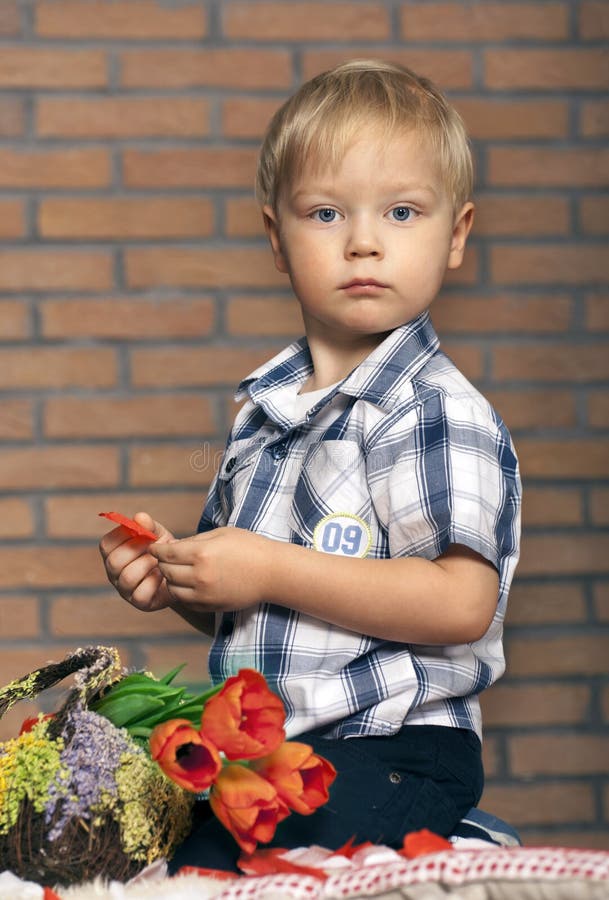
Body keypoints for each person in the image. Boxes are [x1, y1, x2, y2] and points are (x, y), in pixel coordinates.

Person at [100, 59, 521, 870]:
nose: (363, 240)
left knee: (252, 874)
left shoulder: (432, 410)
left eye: (401, 212)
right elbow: (262, 608)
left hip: (390, 745)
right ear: (276, 238)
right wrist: (182, 578)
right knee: (151, 860)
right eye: (326, 213)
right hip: (262, 755)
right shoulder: (264, 415)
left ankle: (454, 846)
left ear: (456, 234)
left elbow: (463, 602)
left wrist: (265, 567)